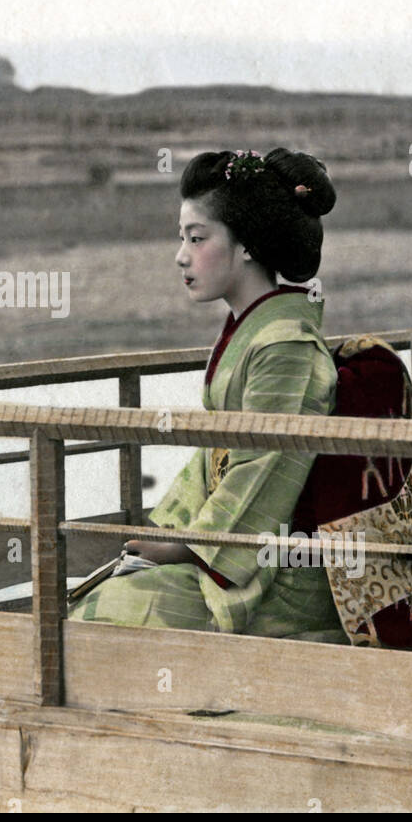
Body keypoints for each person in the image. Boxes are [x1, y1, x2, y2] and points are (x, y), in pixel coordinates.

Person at [69, 147, 346, 639]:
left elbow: (261, 475)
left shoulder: (286, 348)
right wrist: (173, 534)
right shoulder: (255, 333)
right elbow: (212, 464)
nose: (181, 255)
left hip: (281, 572)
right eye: (182, 238)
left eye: (197, 239)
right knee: (100, 594)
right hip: (236, 552)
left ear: (247, 246)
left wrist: (188, 549)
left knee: (106, 615)